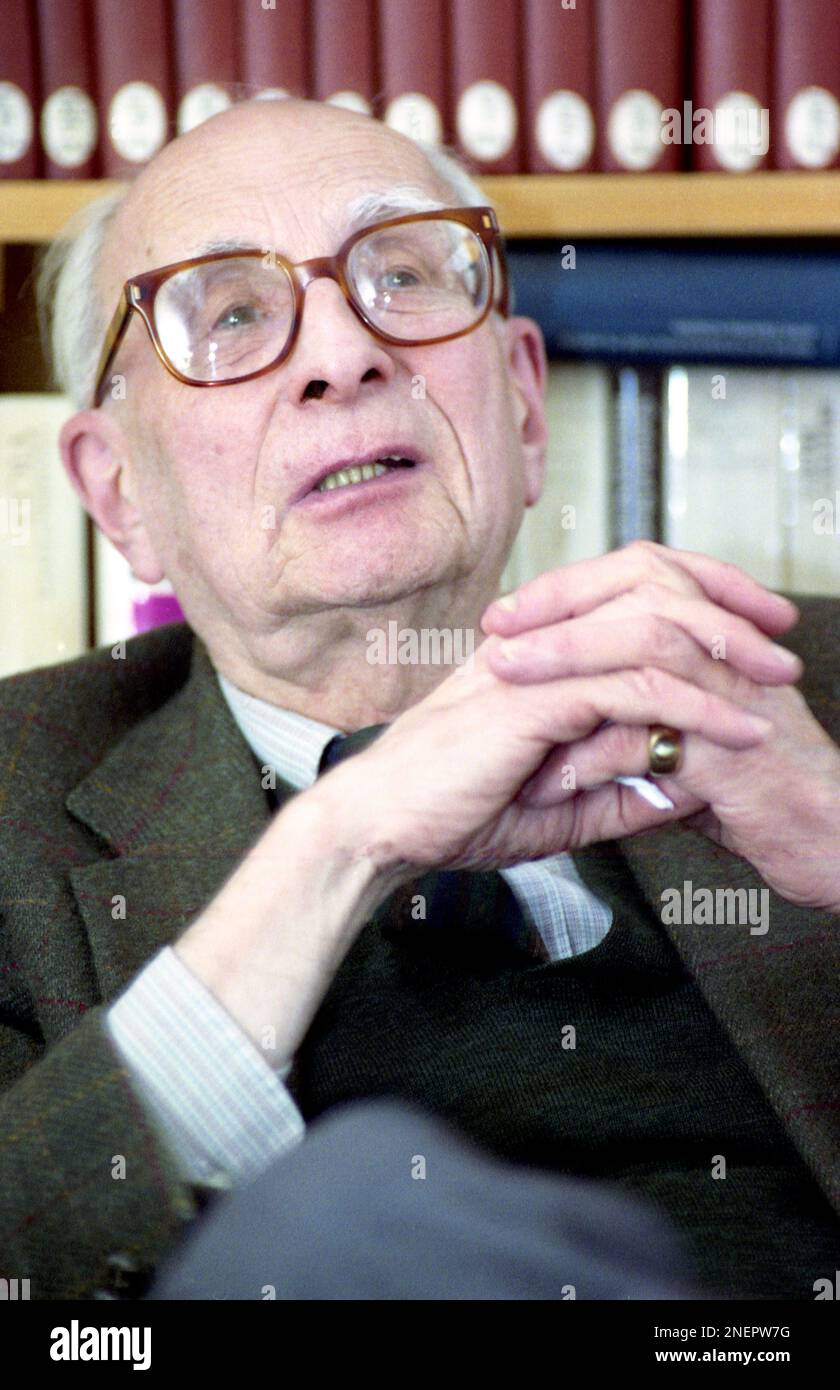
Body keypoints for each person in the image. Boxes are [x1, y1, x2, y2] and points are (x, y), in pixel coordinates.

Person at [1, 97, 839, 1301]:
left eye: (402, 276)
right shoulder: (13, 795)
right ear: (118, 490)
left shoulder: (787, 681)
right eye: (231, 314)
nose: (345, 355)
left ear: (523, 403)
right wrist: (336, 842)